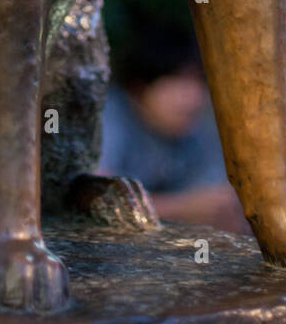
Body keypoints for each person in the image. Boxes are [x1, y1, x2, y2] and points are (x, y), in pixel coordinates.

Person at [97, 19, 246, 231]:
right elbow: (97, 203)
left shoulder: (195, 129)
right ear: (138, 86)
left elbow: (219, 204)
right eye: (177, 81)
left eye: (199, 82)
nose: (193, 97)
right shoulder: (109, 117)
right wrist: (183, 207)